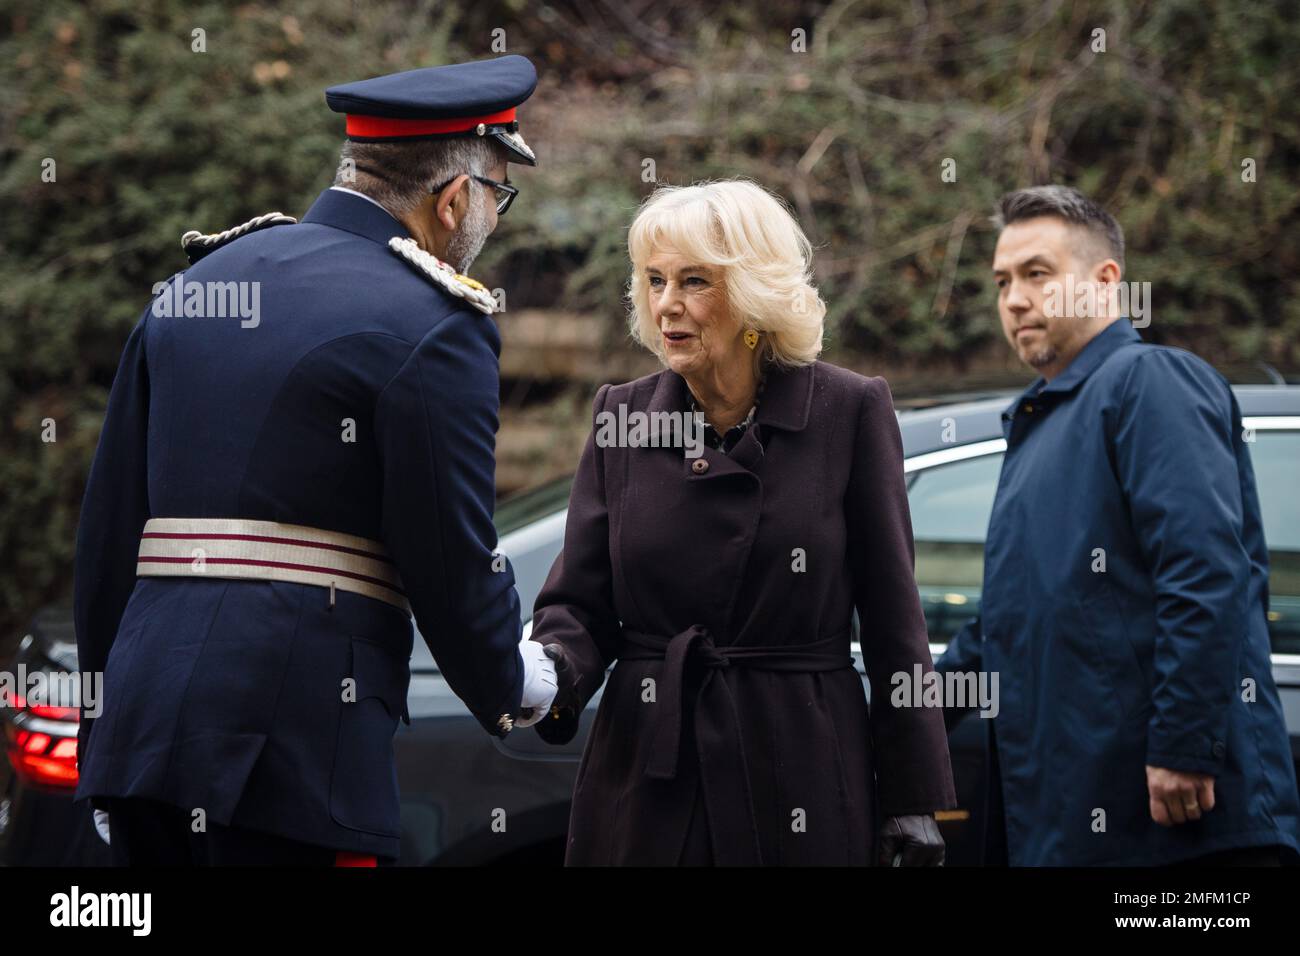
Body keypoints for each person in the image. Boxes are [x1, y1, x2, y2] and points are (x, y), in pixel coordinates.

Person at [72, 54, 557, 866]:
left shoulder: (199, 285)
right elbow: (449, 551)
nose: (494, 220)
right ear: (453, 201)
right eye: (497, 195)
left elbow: (110, 536)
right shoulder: (435, 323)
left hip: (142, 745)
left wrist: (102, 731)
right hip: (295, 763)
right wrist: (511, 681)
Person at [525, 180, 957, 865]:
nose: (667, 303)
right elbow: (580, 602)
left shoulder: (848, 411)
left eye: (694, 281)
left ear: (756, 292)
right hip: (646, 770)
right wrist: (544, 674)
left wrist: (915, 795)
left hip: (801, 761)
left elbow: (893, 620)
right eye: (654, 279)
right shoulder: (622, 414)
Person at [936, 185, 1300, 866]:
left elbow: (1206, 571)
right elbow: (1006, 623)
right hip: (1070, 819)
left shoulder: (1151, 381)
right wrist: (905, 721)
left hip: (1171, 825)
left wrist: (1184, 748)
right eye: (1002, 281)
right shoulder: (1040, 421)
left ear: (1106, 282)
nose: (1013, 299)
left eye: (1037, 273)